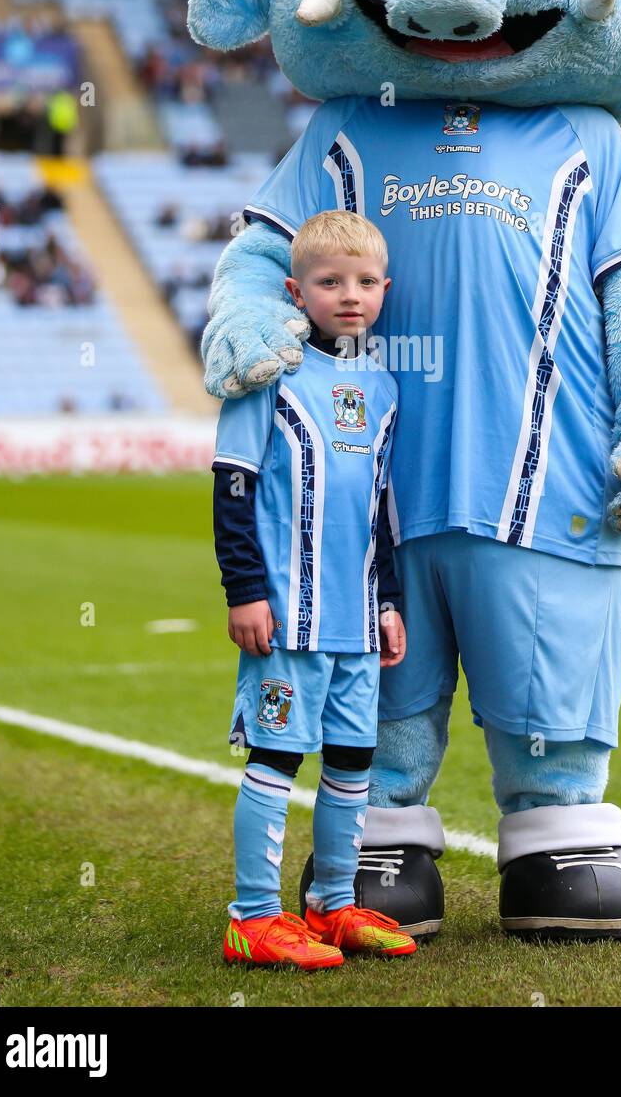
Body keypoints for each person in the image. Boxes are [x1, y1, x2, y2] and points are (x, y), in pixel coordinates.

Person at [212, 210, 416, 970]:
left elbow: (379, 509)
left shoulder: (386, 386)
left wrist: (388, 603)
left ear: (385, 289)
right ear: (298, 290)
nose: (350, 295)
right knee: (276, 758)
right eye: (330, 282)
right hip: (287, 621)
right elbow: (233, 490)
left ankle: (331, 904)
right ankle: (253, 917)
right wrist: (244, 591)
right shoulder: (268, 372)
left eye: (365, 282)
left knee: (354, 762)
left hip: (357, 621)